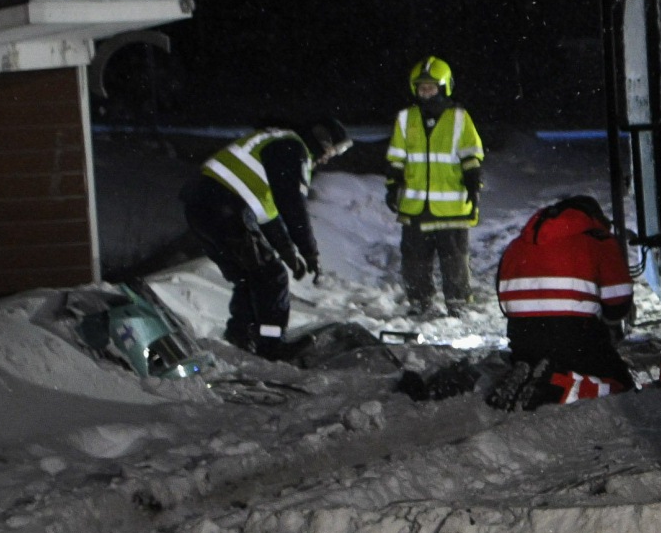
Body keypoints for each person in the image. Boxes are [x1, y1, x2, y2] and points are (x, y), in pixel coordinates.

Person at [183, 119, 352, 361]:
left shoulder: (275, 142)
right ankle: (271, 345)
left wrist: (291, 255)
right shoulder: (293, 149)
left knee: (248, 276)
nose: (330, 156)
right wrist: (309, 251)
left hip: (201, 207)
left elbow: (268, 216)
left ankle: (241, 336)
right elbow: (292, 206)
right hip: (225, 207)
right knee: (272, 276)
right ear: (323, 139)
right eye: (334, 149)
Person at [495, 193, 637, 395]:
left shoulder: (517, 244)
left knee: (544, 354)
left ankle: (530, 368)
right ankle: (551, 382)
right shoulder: (598, 240)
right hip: (572, 336)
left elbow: (502, 298)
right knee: (619, 383)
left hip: (521, 336)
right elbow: (618, 304)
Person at [385, 56, 486, 320]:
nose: (426, 92)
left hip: (452, 207)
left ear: (444, 87)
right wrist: (392, 185)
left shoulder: (460, 118)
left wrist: (474, 185)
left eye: (431, 87)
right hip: (416, 206)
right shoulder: (406, 119)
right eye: (421, 88)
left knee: (454, 260)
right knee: (415, 260)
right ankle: (419, 302)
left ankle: (457, 303)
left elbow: (471, 156)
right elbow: (397, 157)